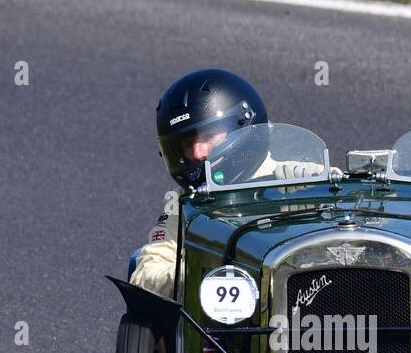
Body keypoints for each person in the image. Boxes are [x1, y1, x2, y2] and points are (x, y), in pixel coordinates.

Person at [129, 69, 323, 296]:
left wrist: (317, 191)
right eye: (186, 144)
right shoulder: (186, 200)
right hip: (225, 320)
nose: (198, 152)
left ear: (244, 126)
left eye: (208, 136)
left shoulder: (311, 178)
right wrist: (198, 276)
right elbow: (145, 272)